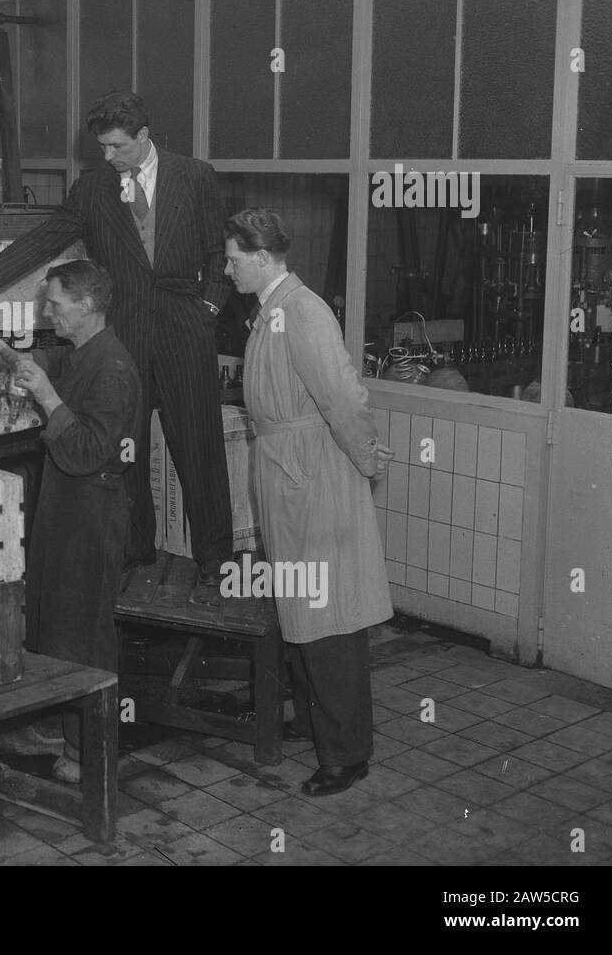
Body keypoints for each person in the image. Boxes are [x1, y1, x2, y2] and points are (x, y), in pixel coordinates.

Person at [0, 91, 231, 575]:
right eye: (102, 147)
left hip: (185, 330)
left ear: (144, 137)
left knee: (199, 446)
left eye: (117, 147)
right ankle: (136, 547)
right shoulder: (92, 190)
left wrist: (208, 307)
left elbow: (216, 251)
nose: (108, 157)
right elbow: (48, 236)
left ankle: (215, 559)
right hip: (126, 332)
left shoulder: (195, 176)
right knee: (127, 448)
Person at [223, 207, 395, 797]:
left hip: (314, 476)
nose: (227, 270)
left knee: (330, 619)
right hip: (289, 473)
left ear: (263, 258)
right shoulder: (270, 311)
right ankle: (319, 725)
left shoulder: (302, 310)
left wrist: (366, 461)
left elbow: (344, 398)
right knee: (301, 608)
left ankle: (347, 753)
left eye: (234, 259)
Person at [0, 260, 140, 784]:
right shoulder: (85, 354)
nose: (47, 311)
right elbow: (53, 365)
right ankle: (63, 730)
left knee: (85, 634)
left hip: (91, 513)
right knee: (55, 625)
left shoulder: (114, 370)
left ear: (86, 305)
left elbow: (87, 453)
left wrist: (47, 396)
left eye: (54, 303)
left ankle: (93, 752)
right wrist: (18, 360)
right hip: (67, 508)